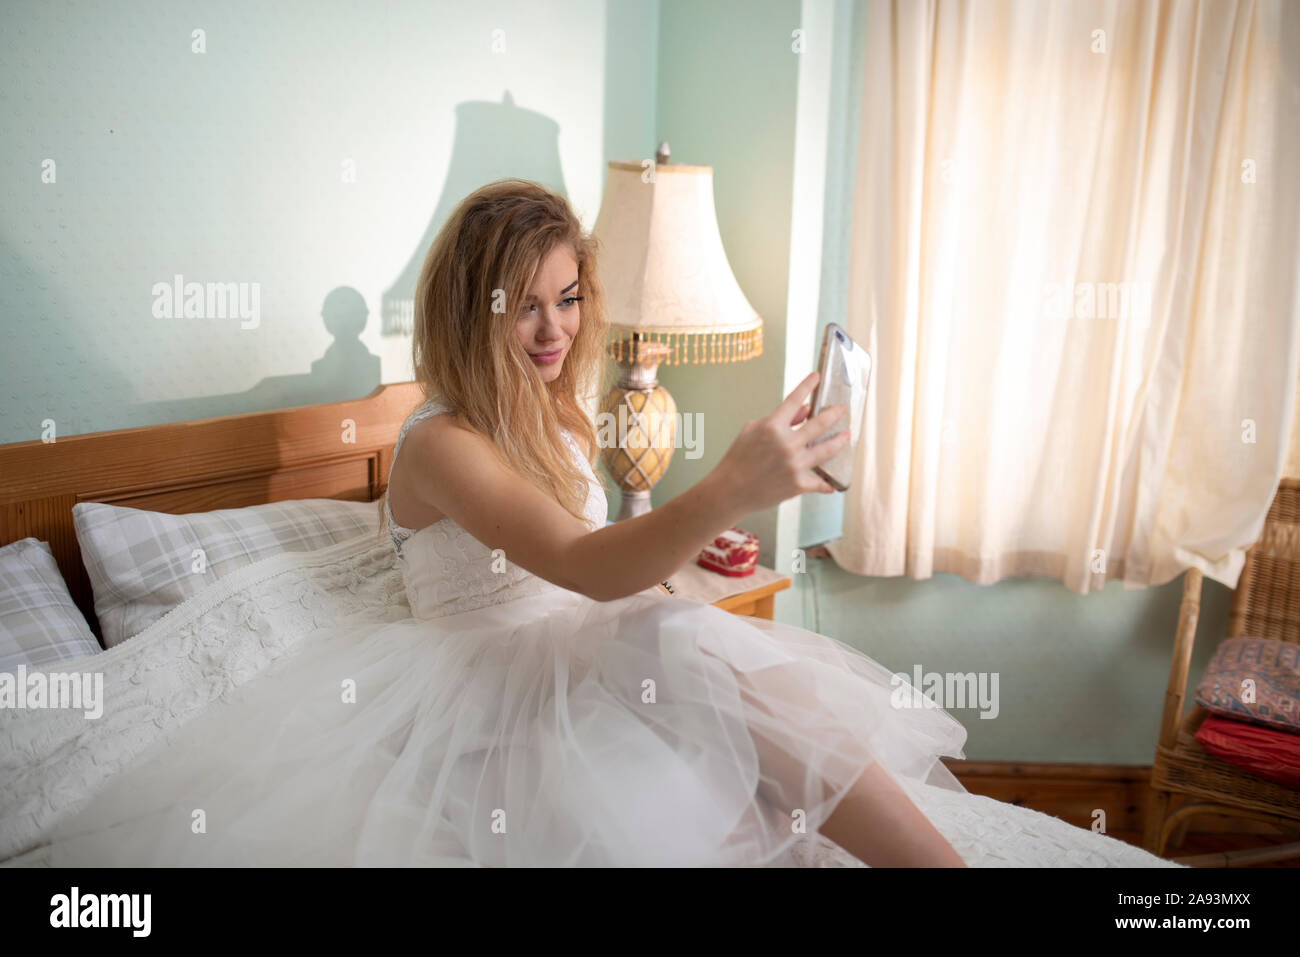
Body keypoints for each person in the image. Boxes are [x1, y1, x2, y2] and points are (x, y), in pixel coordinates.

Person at [33, 179, 972, 867]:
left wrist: (681, 583)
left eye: (566, 297)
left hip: (589, 652)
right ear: (469, 310)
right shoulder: (438, 443)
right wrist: (727, 486)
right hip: (490, 693)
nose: (554, 329)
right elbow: (580, 562)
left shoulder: (555, 410)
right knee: (683, 673)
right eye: (524, 305)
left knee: (722, 680)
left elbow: (616, 575)